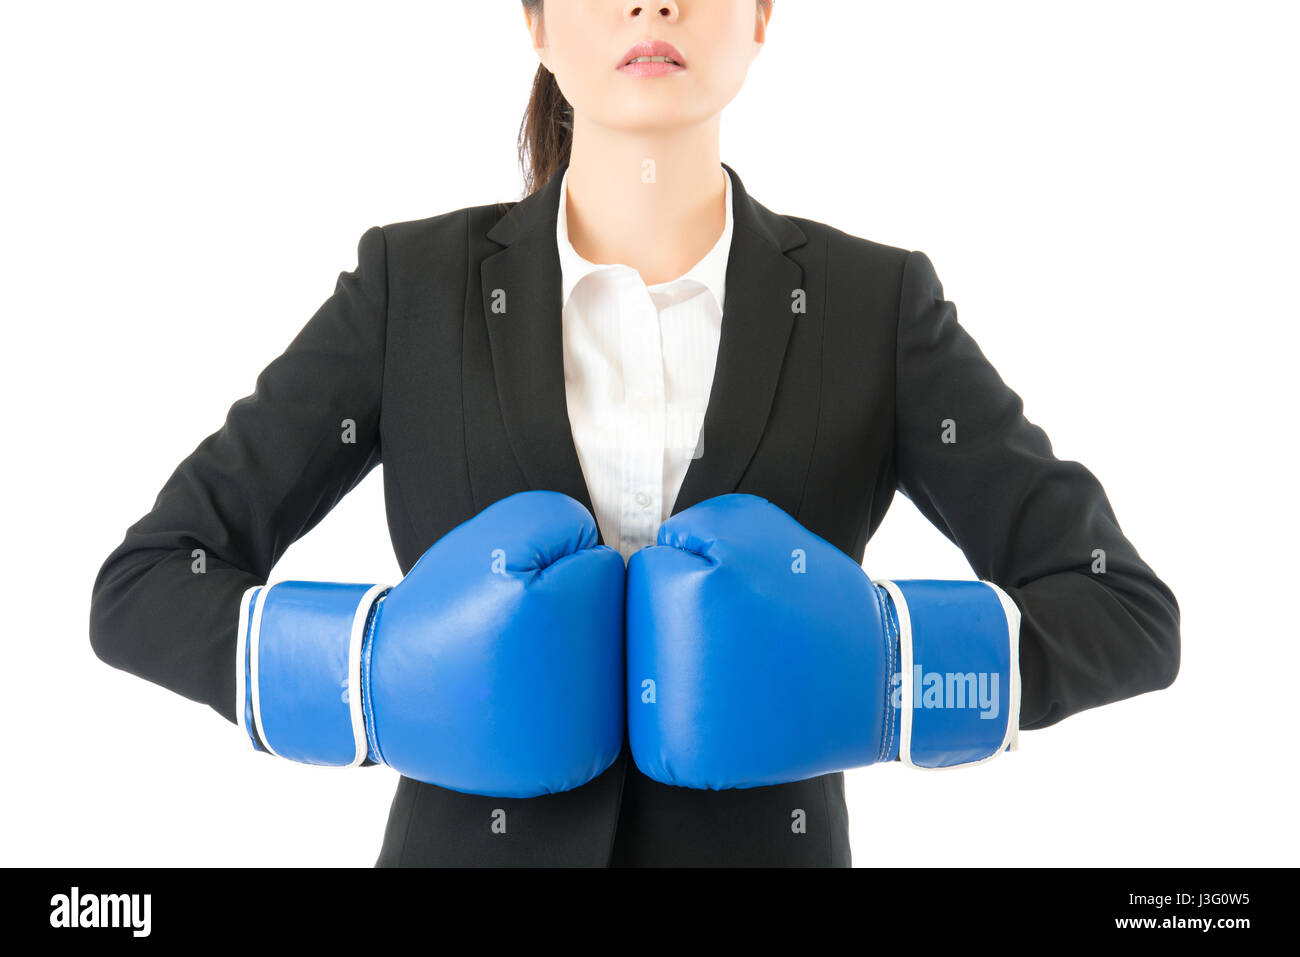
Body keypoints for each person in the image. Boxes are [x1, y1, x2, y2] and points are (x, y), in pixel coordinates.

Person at [89, 0, 1180, 867]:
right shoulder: (408, 290)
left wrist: (886, 675)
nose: (651, 4)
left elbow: (1121, 610)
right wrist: (376, 678)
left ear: (761, 15)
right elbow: (148, 585)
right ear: (535, 20)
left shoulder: (870, 305)